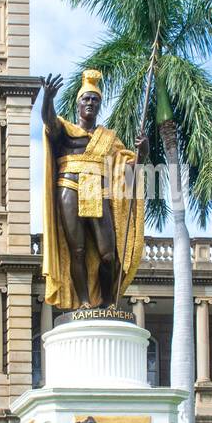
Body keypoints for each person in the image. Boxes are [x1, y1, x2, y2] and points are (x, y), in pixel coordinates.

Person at [40, 69, 146, 309]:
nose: (90, 103)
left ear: (99, 105)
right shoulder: (66, 130)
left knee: (107, 254)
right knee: (76, 249)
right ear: (78, 104)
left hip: (98, 191)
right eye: (86, 99)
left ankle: (108, 301)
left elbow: (127, 168)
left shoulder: (108, 138)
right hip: (69, 187)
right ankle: (84, 303)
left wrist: (144, 152)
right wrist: (48, 98)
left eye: (95, 99)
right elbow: (49, 122)